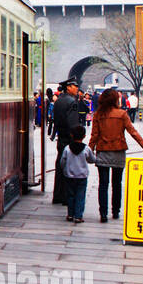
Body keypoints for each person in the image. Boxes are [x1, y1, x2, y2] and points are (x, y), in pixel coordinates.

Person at [88, 87, 143, 222]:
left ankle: (103, 213)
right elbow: (133, 132)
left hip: (103, 151)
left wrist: (89, 150)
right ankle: (115, 211)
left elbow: (94, 135)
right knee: (117, 183)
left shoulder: (98, 115)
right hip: (118, 151)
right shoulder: (122, 114)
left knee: (103, 184)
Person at [51, 78, 84, 206]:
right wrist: (77, 138)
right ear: (68, 87)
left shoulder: (59, 101)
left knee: (60, 165)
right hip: (69, 139)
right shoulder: (72, 102)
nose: (77, 89)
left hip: (61, 138)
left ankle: (58, 195)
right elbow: (73, 123)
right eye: (74, 86)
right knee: (70, 168)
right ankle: (66, 196)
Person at [57, 125, 96, 224]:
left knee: (70, 195)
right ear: (84, 136)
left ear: (71, 135)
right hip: (82, 176)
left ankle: (70, 214)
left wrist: (64, 169)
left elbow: (62, 162)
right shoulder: (86, 149)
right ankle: (78, 216)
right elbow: (92, 159)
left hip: (69, 176)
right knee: (80, 196)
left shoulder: (67, 148)